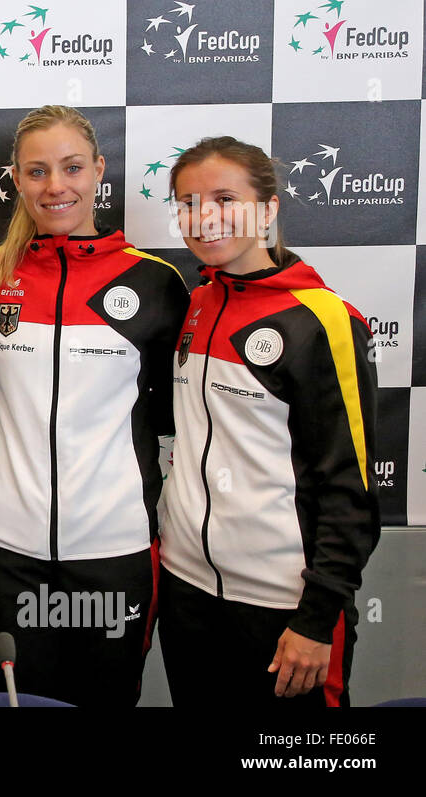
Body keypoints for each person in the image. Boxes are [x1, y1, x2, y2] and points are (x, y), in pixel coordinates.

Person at [0, 105, 189, 707]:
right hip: (7, 545)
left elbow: (179, 414)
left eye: (71, 167)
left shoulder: (154, 281)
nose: (55, 186)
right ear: (16, 179)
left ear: (98, 170)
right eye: (37, 171)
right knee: (23, 702)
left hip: (114, 549)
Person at [159, 136, 378, 707]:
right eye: (188, 202)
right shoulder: (199, 302)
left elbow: (351, 489)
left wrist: (315, 619)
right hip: (187, 590)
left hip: (285, 609)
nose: (204, 218)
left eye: (225, 198)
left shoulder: (323, 320)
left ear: (269, 209)